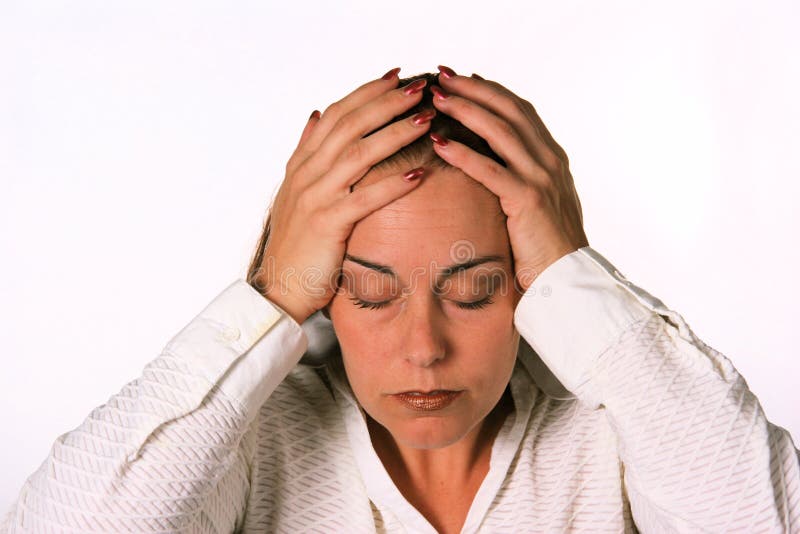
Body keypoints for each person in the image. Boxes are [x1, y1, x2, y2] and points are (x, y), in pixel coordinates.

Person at [2, 66, 798, 534]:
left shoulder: (616, 430)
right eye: (373, 294)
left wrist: (574, 273)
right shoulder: (250, 440)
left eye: (476, 291)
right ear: (325, 296)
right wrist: (271, 296)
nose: (424, 347)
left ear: (532, 286)